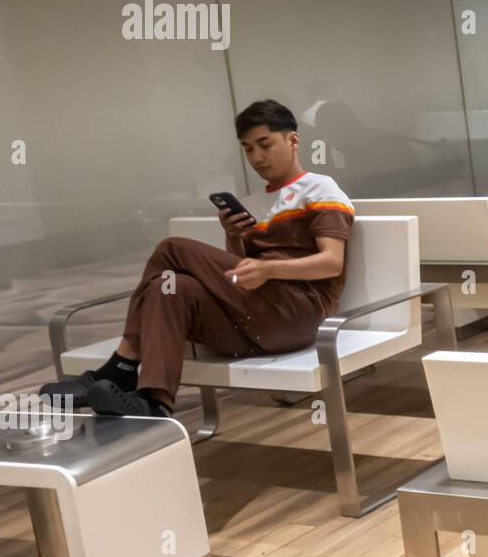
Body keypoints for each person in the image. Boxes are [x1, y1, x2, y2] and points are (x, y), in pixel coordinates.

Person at [41, 100, 354, 418]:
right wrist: (233, 236)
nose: (256, 158)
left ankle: (121, 365)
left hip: (301, 314)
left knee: (172, 248)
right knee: (170, 286)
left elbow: (332, 262)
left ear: (293, 140)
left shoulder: (319, 188)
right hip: (258, 321)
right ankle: (156, 401)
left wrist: (269, 268)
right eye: (247, 149)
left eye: (265, 144)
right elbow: (241, 278)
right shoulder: (251, 203)